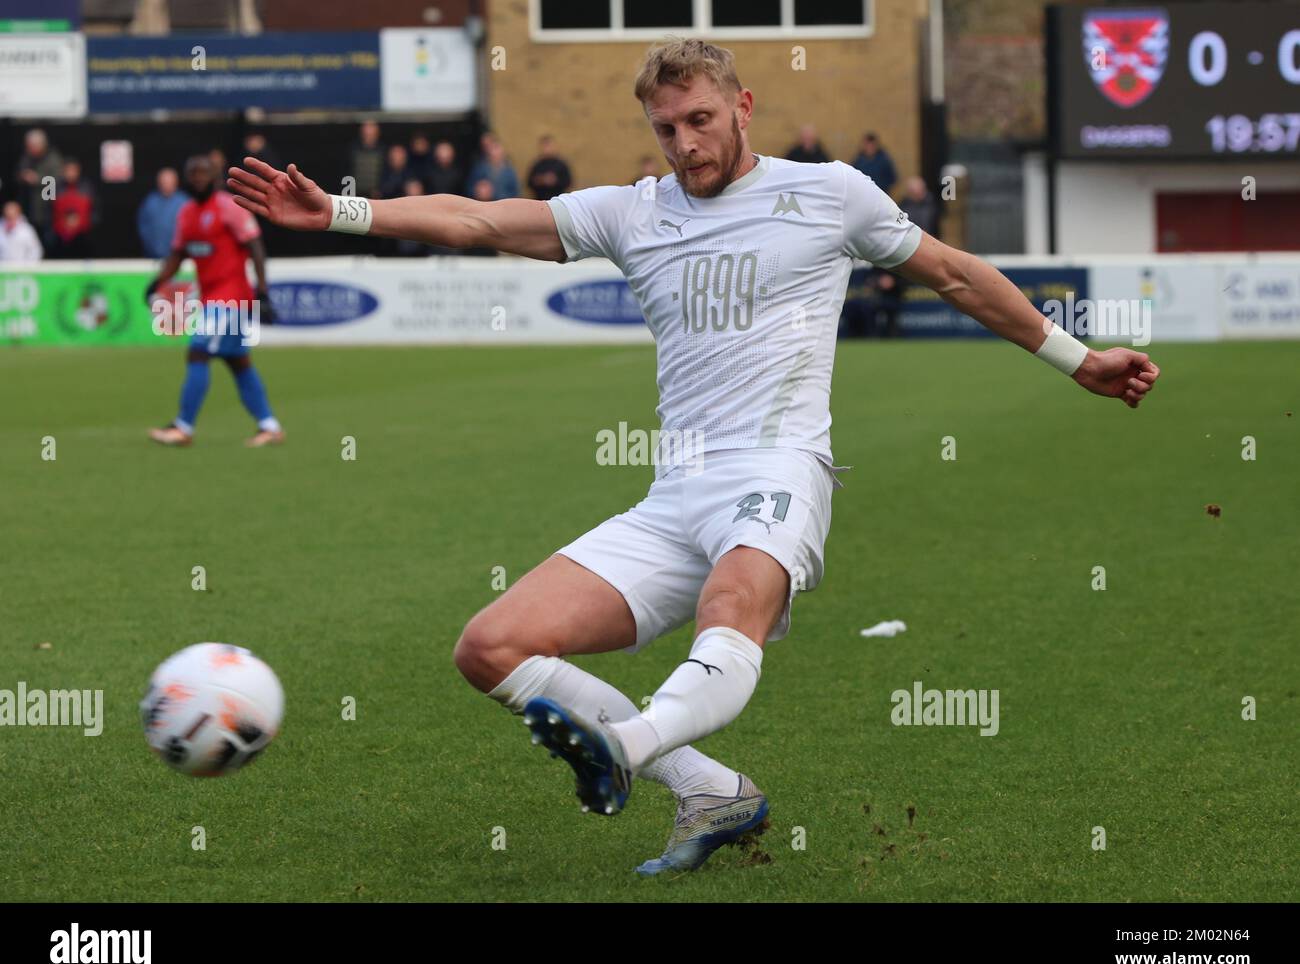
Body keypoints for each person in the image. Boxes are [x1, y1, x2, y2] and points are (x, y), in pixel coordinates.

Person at [228, 37, 1160, 875]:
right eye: (666, 128)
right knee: (491, 646)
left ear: (743, 106)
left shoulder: (830, 193)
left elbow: (956, 274)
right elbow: (481, 221)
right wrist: (343, 212)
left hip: (779, 470)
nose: (685, 144)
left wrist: (1077, 359)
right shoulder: (634, 213)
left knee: (731, 607)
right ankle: (710, 786)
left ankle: (625, 751)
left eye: (701, 120)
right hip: (675, 494)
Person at [145, 155, 284, 448]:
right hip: (212, 297)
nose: (197, 178)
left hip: (232, 296)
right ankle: (269, 426)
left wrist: (263, 290)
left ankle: (183, 426)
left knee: (198, 351)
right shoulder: (186, 213)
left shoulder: (229, 207)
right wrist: (157, 283)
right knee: (238, 362)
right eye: (192, 173)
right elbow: (178, 254)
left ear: (215, 177)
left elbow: (255, 245)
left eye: (203, 173)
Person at [14, 129, 63, 241]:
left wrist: (38, 179)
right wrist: (22, 176)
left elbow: (58, 180)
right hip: (28, 208)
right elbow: (18, 175)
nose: (30, 148)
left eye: (32, 146)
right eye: (28, 146)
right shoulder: (26, 158)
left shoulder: (52, 158)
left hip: (48, 210)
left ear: (41, 144)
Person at [137, 167, 190, 259]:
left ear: (176, 182)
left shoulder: (185, 202)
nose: (166, 184)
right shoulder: (150, 202)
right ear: (158, 182)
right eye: (163, 181)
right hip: (153, 257)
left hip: (179, 258)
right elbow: (143, 227)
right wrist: (152, 247)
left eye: (169, 181)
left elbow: (191, 228)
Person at [50, 160, 95, 258]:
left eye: (73, 171)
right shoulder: (54, 187)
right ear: (63, 172)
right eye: (68, 171)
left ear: (78, 172)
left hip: (82, 235)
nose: (71, 174)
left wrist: (83, 223)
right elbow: (49, 210)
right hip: (60, 236)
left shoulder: (87, 186)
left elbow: (95, 209)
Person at [464, 133, 519, 200]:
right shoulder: (480, 168)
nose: (494, 153)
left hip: (502, 206)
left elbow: (515, 192)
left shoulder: (509, 172)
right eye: (491, 150)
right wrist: (478, 191)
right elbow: (469, 188)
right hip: (484, 204)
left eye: (496, 149)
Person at [526, 135, 572, 200]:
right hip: (540, 200)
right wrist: (540, 180)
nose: (547, 148)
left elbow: (568, 182)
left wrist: (555, 181)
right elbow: (529, 182)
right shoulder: (537, 165)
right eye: (545, 146)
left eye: (549, 145)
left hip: (558, 200)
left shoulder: (561, 164)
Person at [349, 121, 385, 199]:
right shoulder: (353, 151)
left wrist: (380, 190)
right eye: (366, 134)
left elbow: (387, 174)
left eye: (371, 134)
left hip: (376, 196)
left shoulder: (383, 152)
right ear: (361, 133)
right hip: (355, 195)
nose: (369, 136)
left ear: (377, 134)